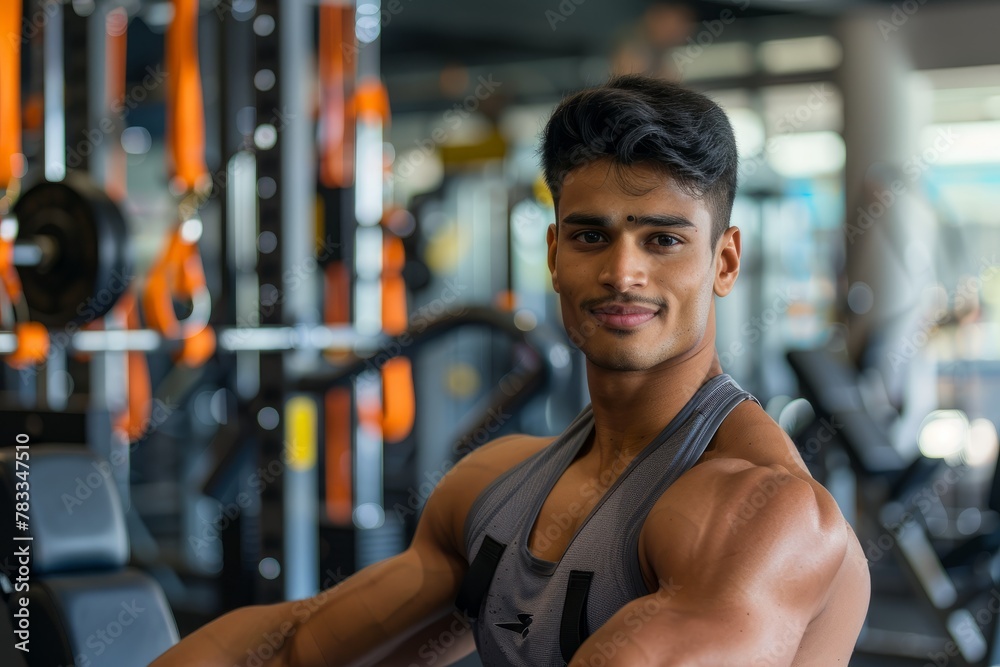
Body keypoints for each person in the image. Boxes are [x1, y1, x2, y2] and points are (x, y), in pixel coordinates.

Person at [151, 75, 870, 667]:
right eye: (593, 236)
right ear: (555, 252)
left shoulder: (766, 514)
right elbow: (295, 647)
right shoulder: (492, 488)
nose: (623, 272)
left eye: (662, 240)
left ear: (724, 261)